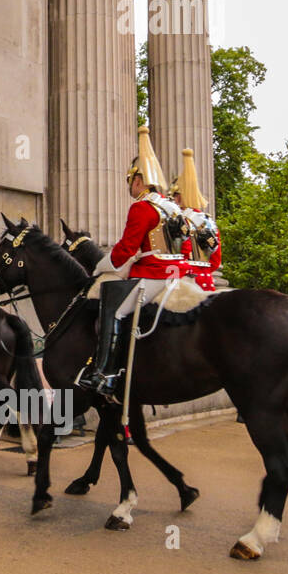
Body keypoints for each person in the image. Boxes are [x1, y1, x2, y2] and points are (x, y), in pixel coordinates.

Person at [77, 126, 187, 404]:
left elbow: (126, 249)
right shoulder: (173, 208)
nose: (129, 186)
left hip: (153, 275)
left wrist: (103, 265)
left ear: (139, 180)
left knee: (113, 310)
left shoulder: (142, 207)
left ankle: (106, 374)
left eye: (130, 180)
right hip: (176, 275)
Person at [170, 148, 221, 292]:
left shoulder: (178, 220)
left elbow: (178, 256)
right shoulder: (208, 221)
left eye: (172, 197)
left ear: (178, 197)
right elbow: (215, 262)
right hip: (206, 284)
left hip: (183, 285)